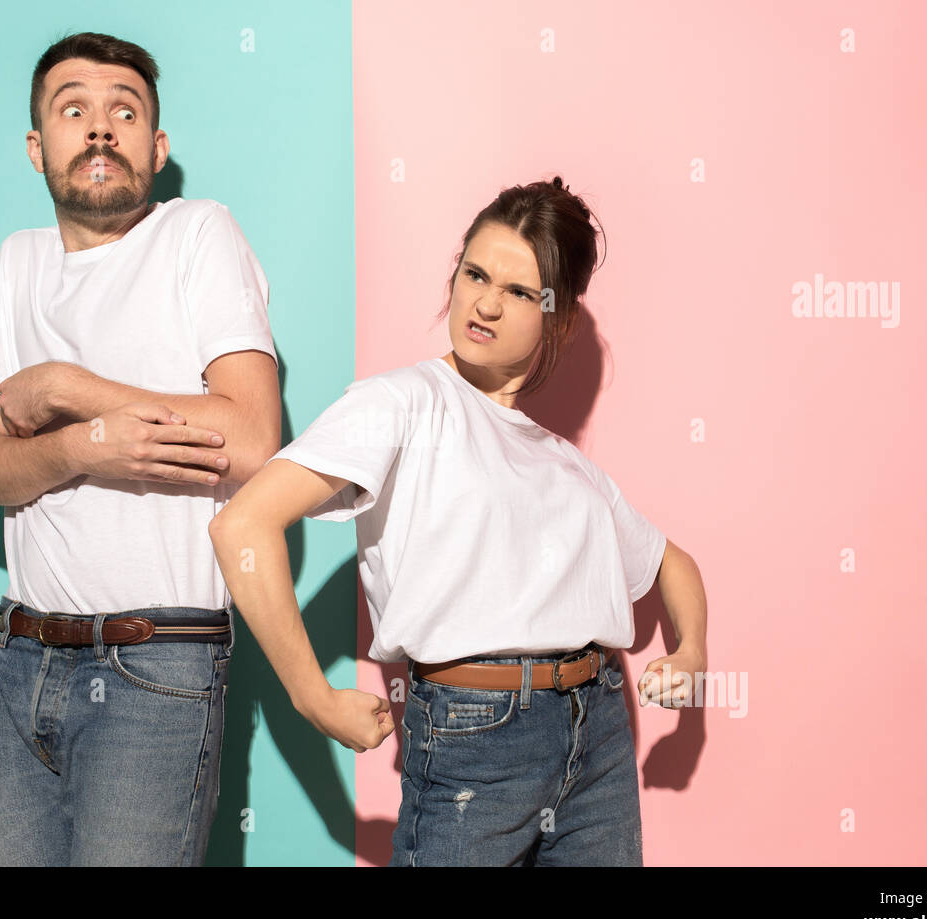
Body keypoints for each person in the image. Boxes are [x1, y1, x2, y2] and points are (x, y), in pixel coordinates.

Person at [209, 176, 707, 866]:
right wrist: (313, 696)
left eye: (517, 292)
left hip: (599, 736)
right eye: (475, 274)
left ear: (555, 317)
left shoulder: (568, 465)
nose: (485, 303)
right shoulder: (401, 403)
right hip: (475, 737)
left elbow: (674, 564)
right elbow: (243, 526)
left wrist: (692, 653)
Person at [0, 32, 281, 866]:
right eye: (74, 110)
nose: (100, 128)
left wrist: (68, 391)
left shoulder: (198, 234)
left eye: (124, 112)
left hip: (156, 665)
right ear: (38, 148)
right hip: (20, 660)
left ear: (156, 147)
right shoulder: (17, 262)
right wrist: (81, 454)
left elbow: (249, 436)